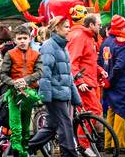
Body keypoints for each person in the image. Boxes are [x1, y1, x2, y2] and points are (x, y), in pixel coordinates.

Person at [30, 16, 80, 156]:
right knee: (65, 125)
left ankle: (26, 149)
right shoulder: (49, 46)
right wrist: (46, 96)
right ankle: (69, 154)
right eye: (66, 26)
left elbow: (68, 75)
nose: (69, 29)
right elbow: (45, 72)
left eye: (69, 26)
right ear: (56, 28)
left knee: (51, 127)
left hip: (61, 92)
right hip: (55, 93)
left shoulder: (61, 46)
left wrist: (75, 96)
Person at [0, 24, 42, 154]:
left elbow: (40, 72)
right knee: (16, 128)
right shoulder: (10, 54)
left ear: (30, 38)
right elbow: (2, 74)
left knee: (26, 130)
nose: (22, 41)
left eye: (25, 38)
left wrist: (25, 80)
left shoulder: (36, 54)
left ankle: (24, 152)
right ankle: (17, 151)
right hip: (13, 94)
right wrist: (14, 82)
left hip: (29, 94)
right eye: (19, 38)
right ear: (15, 40)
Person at [102, 15, 125, 150]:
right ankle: (120, 144)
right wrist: (111, 79)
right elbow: (120, 65)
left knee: (111, 111)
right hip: (122, 84)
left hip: (109, 84)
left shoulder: (106, 42)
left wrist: (105, 80)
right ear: (120, 28)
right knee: (121, 112)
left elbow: (100, 62)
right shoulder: (122, 42)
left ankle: (108, 143)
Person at [69, 9, 107, 122]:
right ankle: (82, 140)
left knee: (94, 112)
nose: (101, 27)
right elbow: (73, 61)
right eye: (99, 25)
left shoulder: (88, 36)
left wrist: (99, 70)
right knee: (91, 113)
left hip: (90, 81)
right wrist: (79, 81)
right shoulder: (80, 36)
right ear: (91, 24)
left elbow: (89, 60)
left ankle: (86, 139)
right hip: (85, 82)